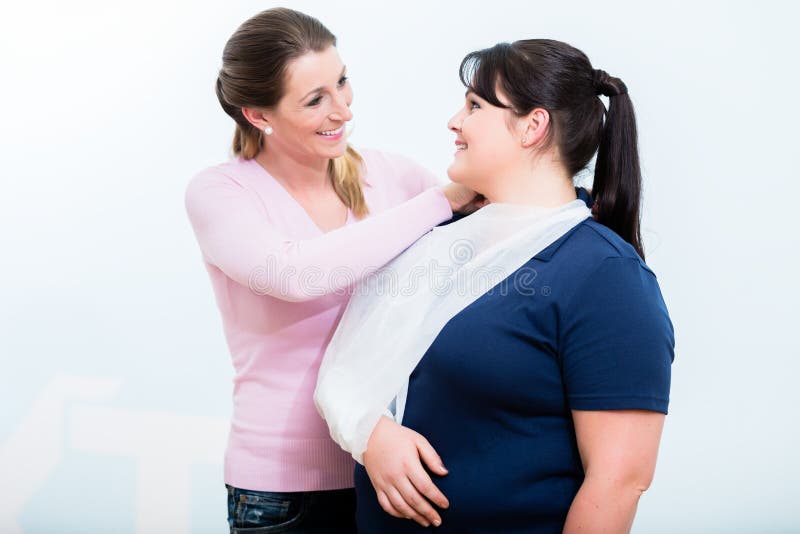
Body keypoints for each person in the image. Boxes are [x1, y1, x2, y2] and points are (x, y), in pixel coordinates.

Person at [315, 39, 674, 533]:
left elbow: (618, 482)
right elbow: (360, 366)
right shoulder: (443, 240)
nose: (454, 121)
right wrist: (372, 433)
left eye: (475, 106)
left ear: (532, 126)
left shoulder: (605, 277)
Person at [184, 8, 482, 533]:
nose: (343, 110)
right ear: (258, 115)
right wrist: (441, 200)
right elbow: (296, 275)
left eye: (342, 82)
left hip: (393, 472)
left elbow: (487, 244)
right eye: (315, 100)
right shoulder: (222, 194)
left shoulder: (395, 178)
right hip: (282, 492)